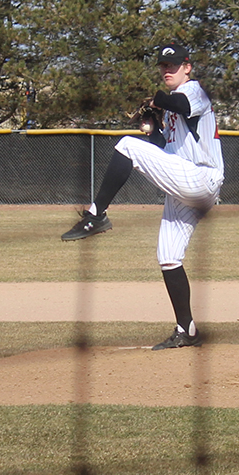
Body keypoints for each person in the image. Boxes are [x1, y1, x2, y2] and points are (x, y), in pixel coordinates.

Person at [61, 43, 224, 350]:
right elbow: (167, 148)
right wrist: (152, 129)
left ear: (187, 67)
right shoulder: (172, 111)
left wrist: (156, 102)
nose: (166, 70)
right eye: (163, 66)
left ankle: (96, 215)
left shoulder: (194, 92)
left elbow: (181, 105)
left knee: (126, 146)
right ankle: (186, 329)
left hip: (201, 177)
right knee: (168, 257)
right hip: (185, 182)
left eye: (173, 65)